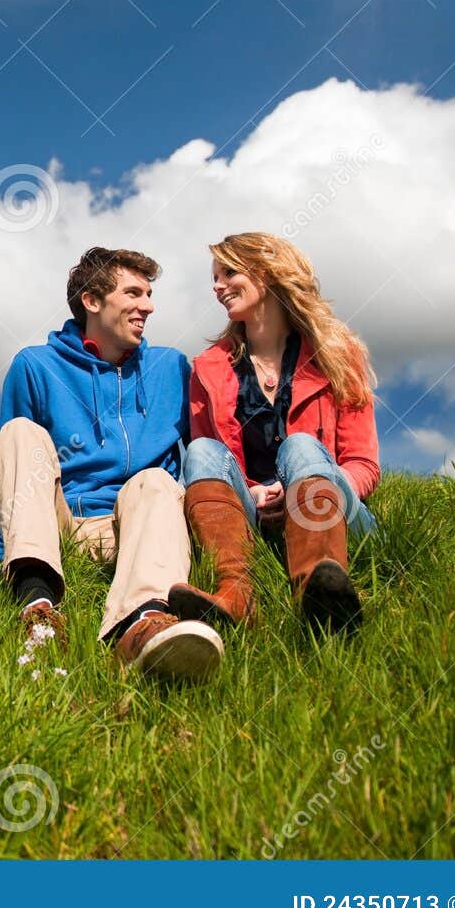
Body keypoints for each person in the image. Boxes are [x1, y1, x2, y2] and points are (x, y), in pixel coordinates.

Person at [0, 247, 224, 682]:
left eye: (149, 294)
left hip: (138, 526)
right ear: (92, 301)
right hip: (62, 525)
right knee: (19, 432)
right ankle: (37, 607)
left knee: (155, 479)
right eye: (133, 293)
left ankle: (144, 624)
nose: (148, 306)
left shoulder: (171, 368)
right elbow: (11, 472)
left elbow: (210, 455)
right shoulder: (36, 366)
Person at [170, 232, 380, 635]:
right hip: (255, 516)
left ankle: (320, 585)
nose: (217, 286)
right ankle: (236, 592)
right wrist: (251, 493)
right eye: (214, 277)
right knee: (200, 451)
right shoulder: (208, 368)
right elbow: (214, 465)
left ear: (265, 274)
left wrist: (301, 487)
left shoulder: (337, 354)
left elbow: (363, 465)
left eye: (228, 273)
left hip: (332, 511)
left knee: (300, 446)